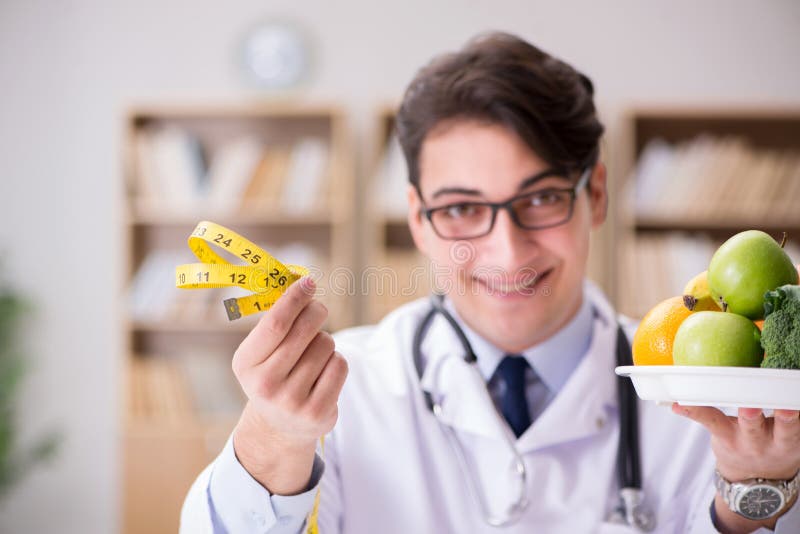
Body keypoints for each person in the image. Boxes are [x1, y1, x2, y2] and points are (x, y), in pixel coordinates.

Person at [181, 32, 800, 533]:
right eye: (461, 209)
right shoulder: (347, 389)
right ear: (419, 220)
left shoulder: (714, 395)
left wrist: (753, 491)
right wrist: (272, 440)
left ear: (598, 196)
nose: (507, 250)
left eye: (542, 198)